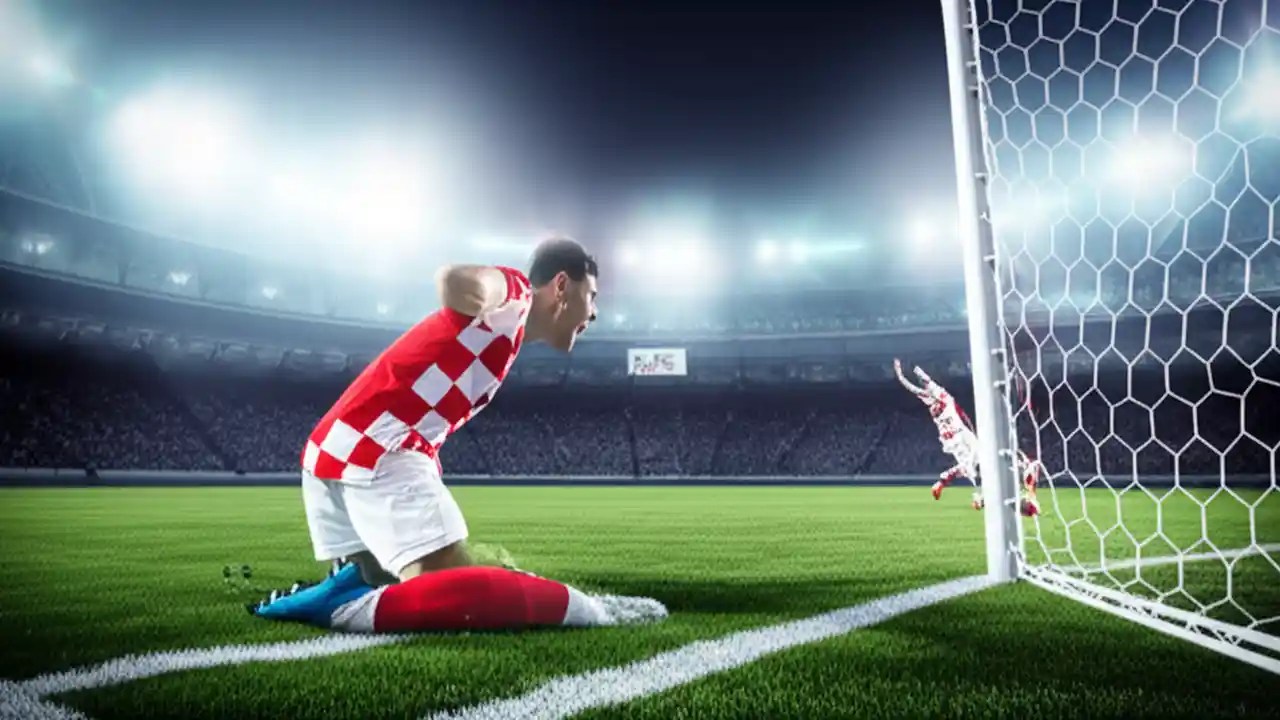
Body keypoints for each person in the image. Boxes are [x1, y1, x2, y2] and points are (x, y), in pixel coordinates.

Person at [251, 238, 667, 631]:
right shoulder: (516, 295)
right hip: (377, 452)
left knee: (381, 582)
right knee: (459, 596)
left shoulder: (508, 333)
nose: (593, 312)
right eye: (591, 296)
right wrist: (481, 292)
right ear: (561, 284)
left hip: (333, 449)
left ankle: (345, 586)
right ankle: (583, 608)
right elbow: (454, 280)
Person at [894, 359, 1039, 517]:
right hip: (974, 457)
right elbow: (962, 468)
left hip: (974, 451)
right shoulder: (947, 431)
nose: (932, 409)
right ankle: (1023, 498)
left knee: (1007, 477)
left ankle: (1025, 492)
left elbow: (925, 386)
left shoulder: (947, 405)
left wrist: (909, 371)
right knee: (1002, 485)